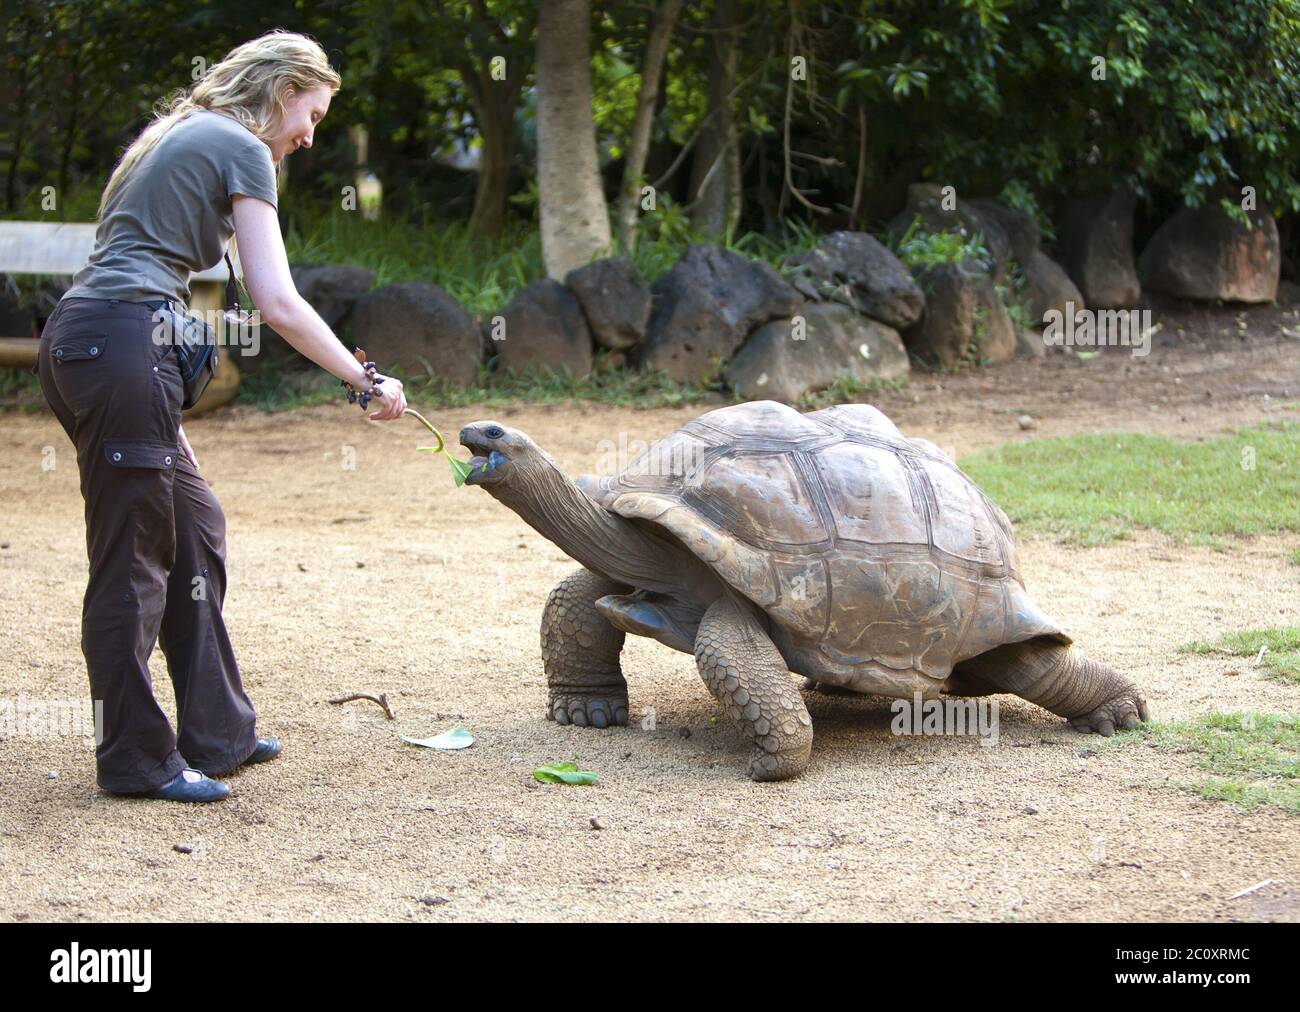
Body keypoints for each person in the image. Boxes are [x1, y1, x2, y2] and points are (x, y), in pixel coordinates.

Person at [37, 31, 407, 803]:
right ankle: (136, 760)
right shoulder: (237, 142)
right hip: (123, 340)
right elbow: (275, 302)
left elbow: (239, 277)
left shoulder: (175, 134)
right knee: (133, 561)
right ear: (279, 92)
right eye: (310, 115)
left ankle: (218, 732)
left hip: (105, 340)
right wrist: (363, 380)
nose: (309, 136)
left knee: (194, 532)